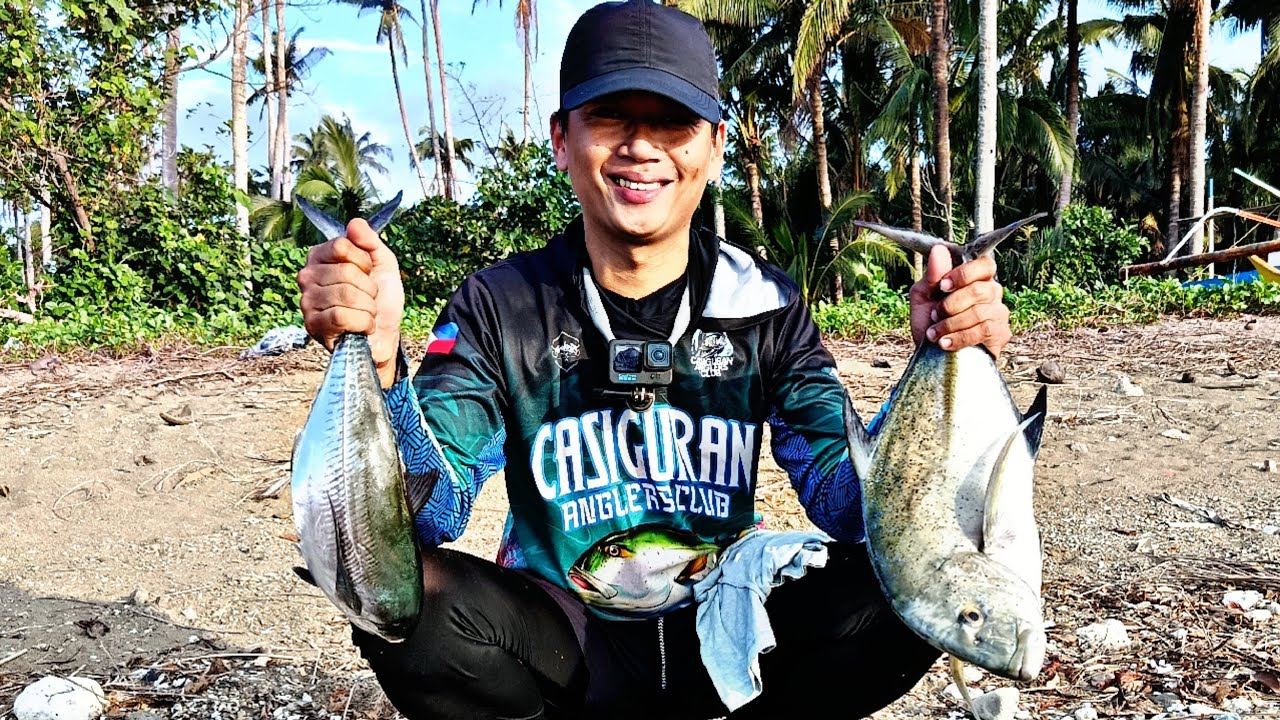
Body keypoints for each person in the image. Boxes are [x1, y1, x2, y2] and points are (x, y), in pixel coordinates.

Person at [296, 1, 1013, 718]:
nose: (642, 146)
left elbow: (846, 502)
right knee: (408, 605)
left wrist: (939, 365)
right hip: (563, 632)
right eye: (610, 117)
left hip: (727, 623)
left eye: (674, 123)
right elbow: (436, 511)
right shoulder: (501, 305)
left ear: (714, 146)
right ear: (561, 139)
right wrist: (383, 369)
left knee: (912, 590)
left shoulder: (762, 304)